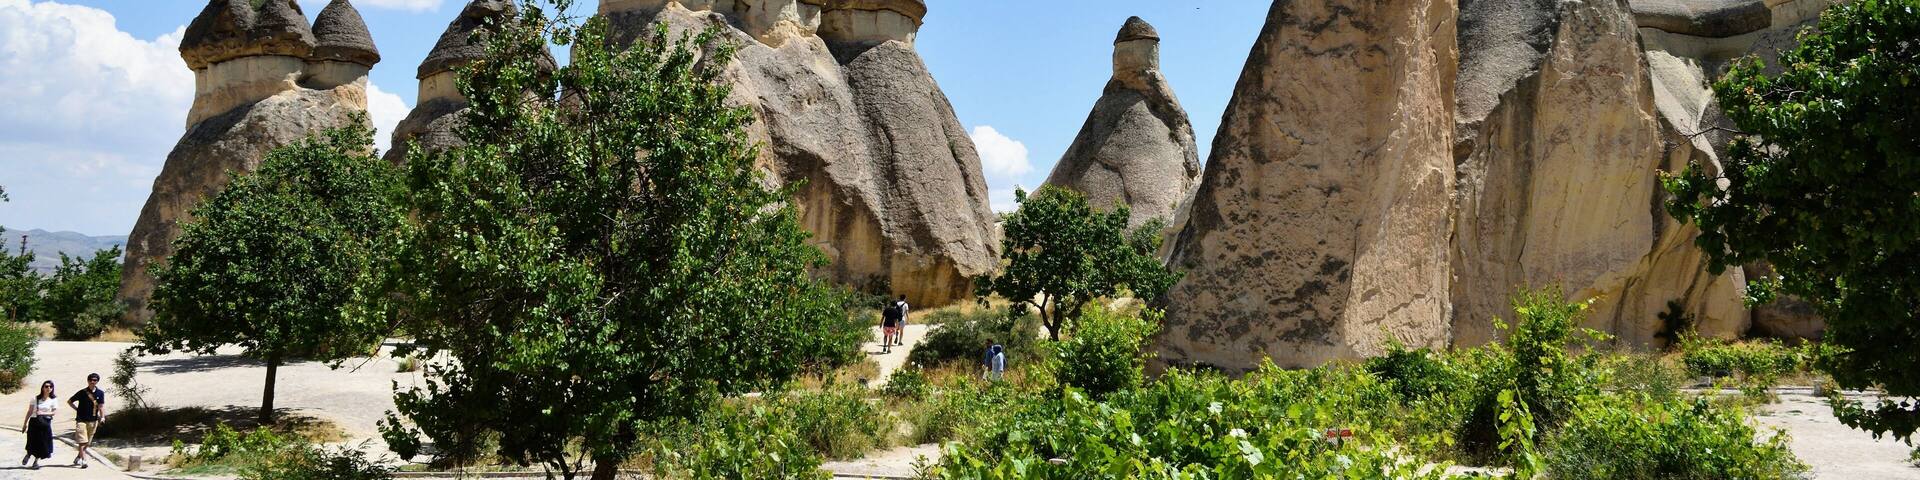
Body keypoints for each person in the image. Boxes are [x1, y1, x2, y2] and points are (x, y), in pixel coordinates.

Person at [67, 373, 105, 468]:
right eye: (91, 380)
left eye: (95, 380)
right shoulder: (82, 392)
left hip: (93, 420)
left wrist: (102, 417)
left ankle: (79, 456)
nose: (92, 382)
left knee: (87, 442)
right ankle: (84, 460)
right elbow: (70, 401)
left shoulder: (100, 393)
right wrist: (76, 409)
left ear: (97, 381)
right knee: (82, 441)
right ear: (88, 381)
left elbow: (101, 406)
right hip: (81, 420)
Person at [19, 380, 55, 469]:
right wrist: (25, 424)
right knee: (32, 441)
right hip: (34, 423)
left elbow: (53, 412)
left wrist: (43, 413)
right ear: (42, 388)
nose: (48, 388)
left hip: (45, 424)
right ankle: (28, 454)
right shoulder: (35, 399)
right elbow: (29, 411)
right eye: (46, 386)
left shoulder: (53, 400)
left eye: (50, 387)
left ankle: (36, 462)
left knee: (42, 443)